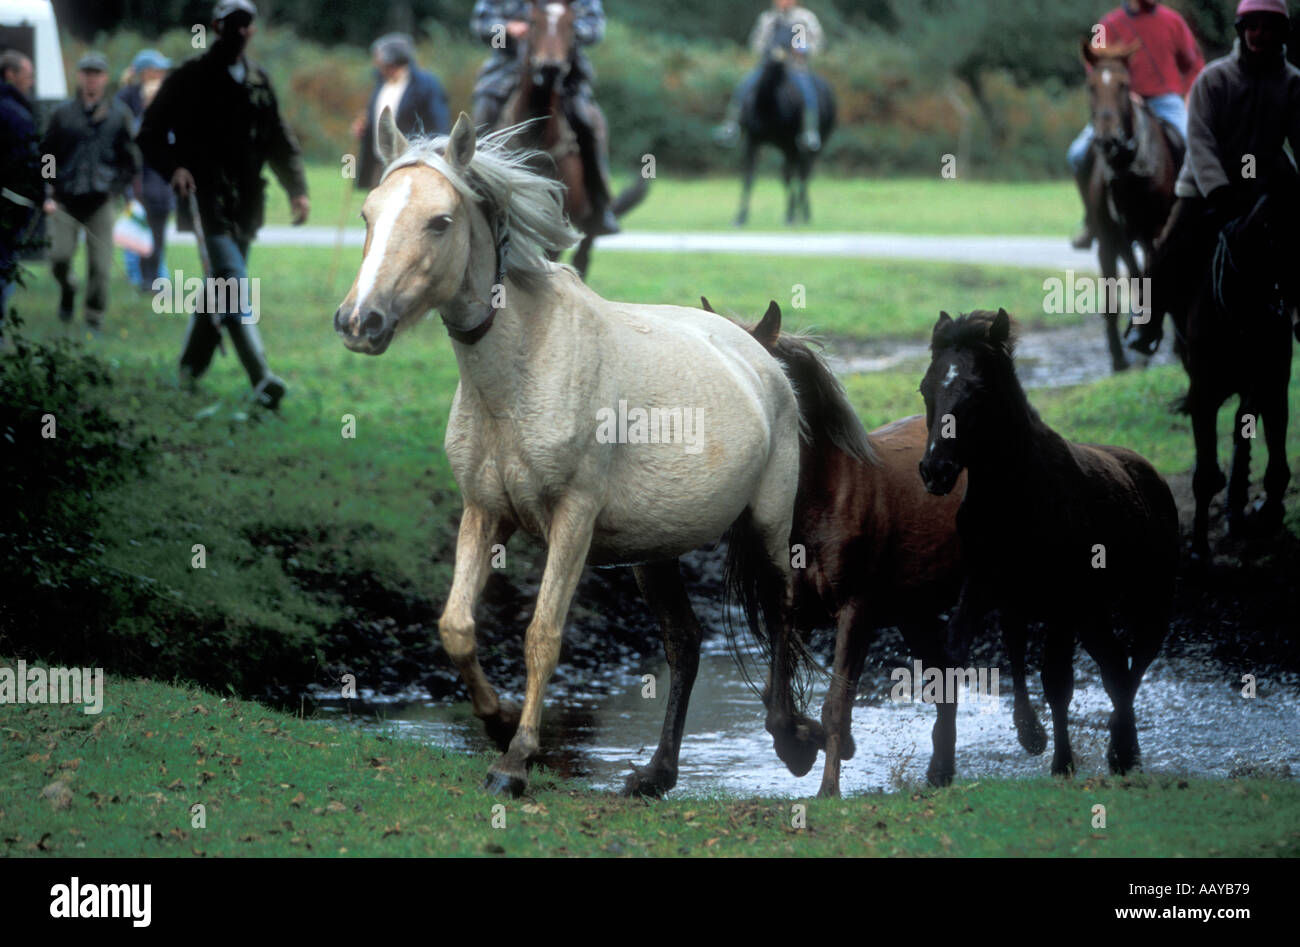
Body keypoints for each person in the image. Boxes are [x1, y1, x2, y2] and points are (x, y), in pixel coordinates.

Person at [137, 0, 309, 410]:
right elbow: (150, 134)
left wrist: (297, 189)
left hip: (247, 203)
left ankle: (189, 369)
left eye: (248, 23)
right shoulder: (189, 77)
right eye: (234, 23)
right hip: (204, 199)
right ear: (217, 27)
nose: (242, 31)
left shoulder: (258, 81)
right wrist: (174, 165)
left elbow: (278, 141)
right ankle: (261, 377)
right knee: (231, 281)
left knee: (218, 287)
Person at [1134, 0, 1300, 353]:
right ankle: (1144, 322)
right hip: (1204, 185)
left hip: (1267, 184)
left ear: (1281, 33)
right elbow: (1200, 141)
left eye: (1268, 27)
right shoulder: (1214, 78)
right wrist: (1218, 190)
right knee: (1167, 249)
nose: (1259, 34)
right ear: (1241, 31)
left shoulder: (1292, 82)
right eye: (1252, 26)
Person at [469, 0, 620, 235]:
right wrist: (506, 29)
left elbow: (595, 26)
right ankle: (472, 195)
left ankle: (599, 204)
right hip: (506, 72)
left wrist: (563, 29)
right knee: (483, 115)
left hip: (566, 73)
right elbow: (481, 24)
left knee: (588, 121)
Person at [1068, 0, 1204, 249]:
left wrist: (1188, 96)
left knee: (1193, 148)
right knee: (1076, 153)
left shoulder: (1173, 21)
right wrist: (1121, 95)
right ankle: (1092, 221)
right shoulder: (1107, 24)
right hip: (1121, 103)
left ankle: (1193, 218)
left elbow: (1194, 64)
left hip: (1165, 100)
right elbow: (1094, 65)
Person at [39, 53, 140, 336]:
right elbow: (47, 153)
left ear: (105, 78)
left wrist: (116, 190)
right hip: (65, 199)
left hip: (100, 201)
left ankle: (94, 318)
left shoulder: (119, 115)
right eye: (86, 73)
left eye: (96, 73)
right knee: (58, 257)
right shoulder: (62, 114)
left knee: (100, 267)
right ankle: (68, 288)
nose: (91, 78)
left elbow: (131, 161)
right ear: (79, 77)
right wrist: (48, 189)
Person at [714, 0, 827, 153]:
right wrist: (769, 51)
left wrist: (803, 49)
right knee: (744, 87)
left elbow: (817, 42)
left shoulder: (805, 18)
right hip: (769, 66)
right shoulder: (768, 18)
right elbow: (756, 42)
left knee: (808, 94)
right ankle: (731, 126)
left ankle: (809, 132)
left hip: (795, 67)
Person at [353, 33, 450, 190]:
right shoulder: (380, 82)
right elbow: (379, 117)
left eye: (378, 56)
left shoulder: (428, 85)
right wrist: (365, 128)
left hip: (412, 165)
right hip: (380, 162)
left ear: (392, 58)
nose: (375, 62)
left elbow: (439, 127)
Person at [117, 48, 174, 288]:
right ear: (145, 73)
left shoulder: (164, 98)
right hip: (135, 177)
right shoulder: (125, 100)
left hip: (158, 183)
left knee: (152, 231)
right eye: (158, 69)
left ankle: (152, 276)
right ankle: (141, 277)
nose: (162, 73)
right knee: (138, 227)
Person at [0, 50, 40, 330]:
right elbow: (33, 161)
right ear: (10, 75)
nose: (32, 82)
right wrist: (43, 195)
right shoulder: (18, 115)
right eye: (28, 75)